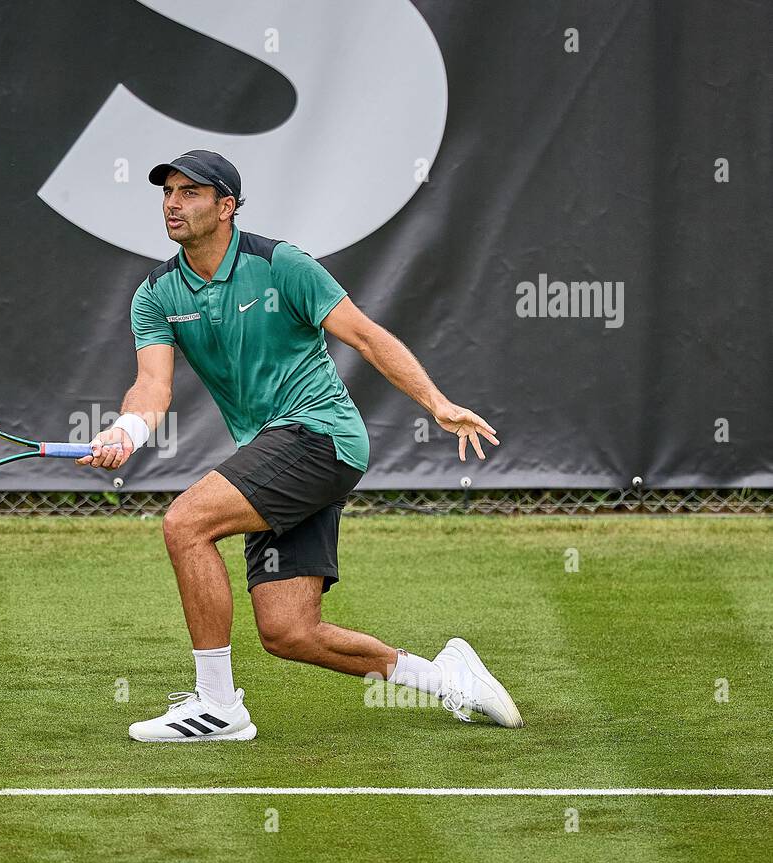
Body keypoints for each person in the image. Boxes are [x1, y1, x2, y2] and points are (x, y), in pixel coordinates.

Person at [81, 149, 522, 741]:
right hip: (273, 450)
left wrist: (437, 404)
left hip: (321, 435)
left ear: (227, 206)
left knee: (185, 523)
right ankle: (448, 679)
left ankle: (216, 706)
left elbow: (365, 336)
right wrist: (126, 431)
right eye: (168, 193)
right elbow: (152, 386)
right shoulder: (157, 294)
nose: (172, 204)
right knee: (289, 633)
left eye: (190, 193)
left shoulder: (283, 265)